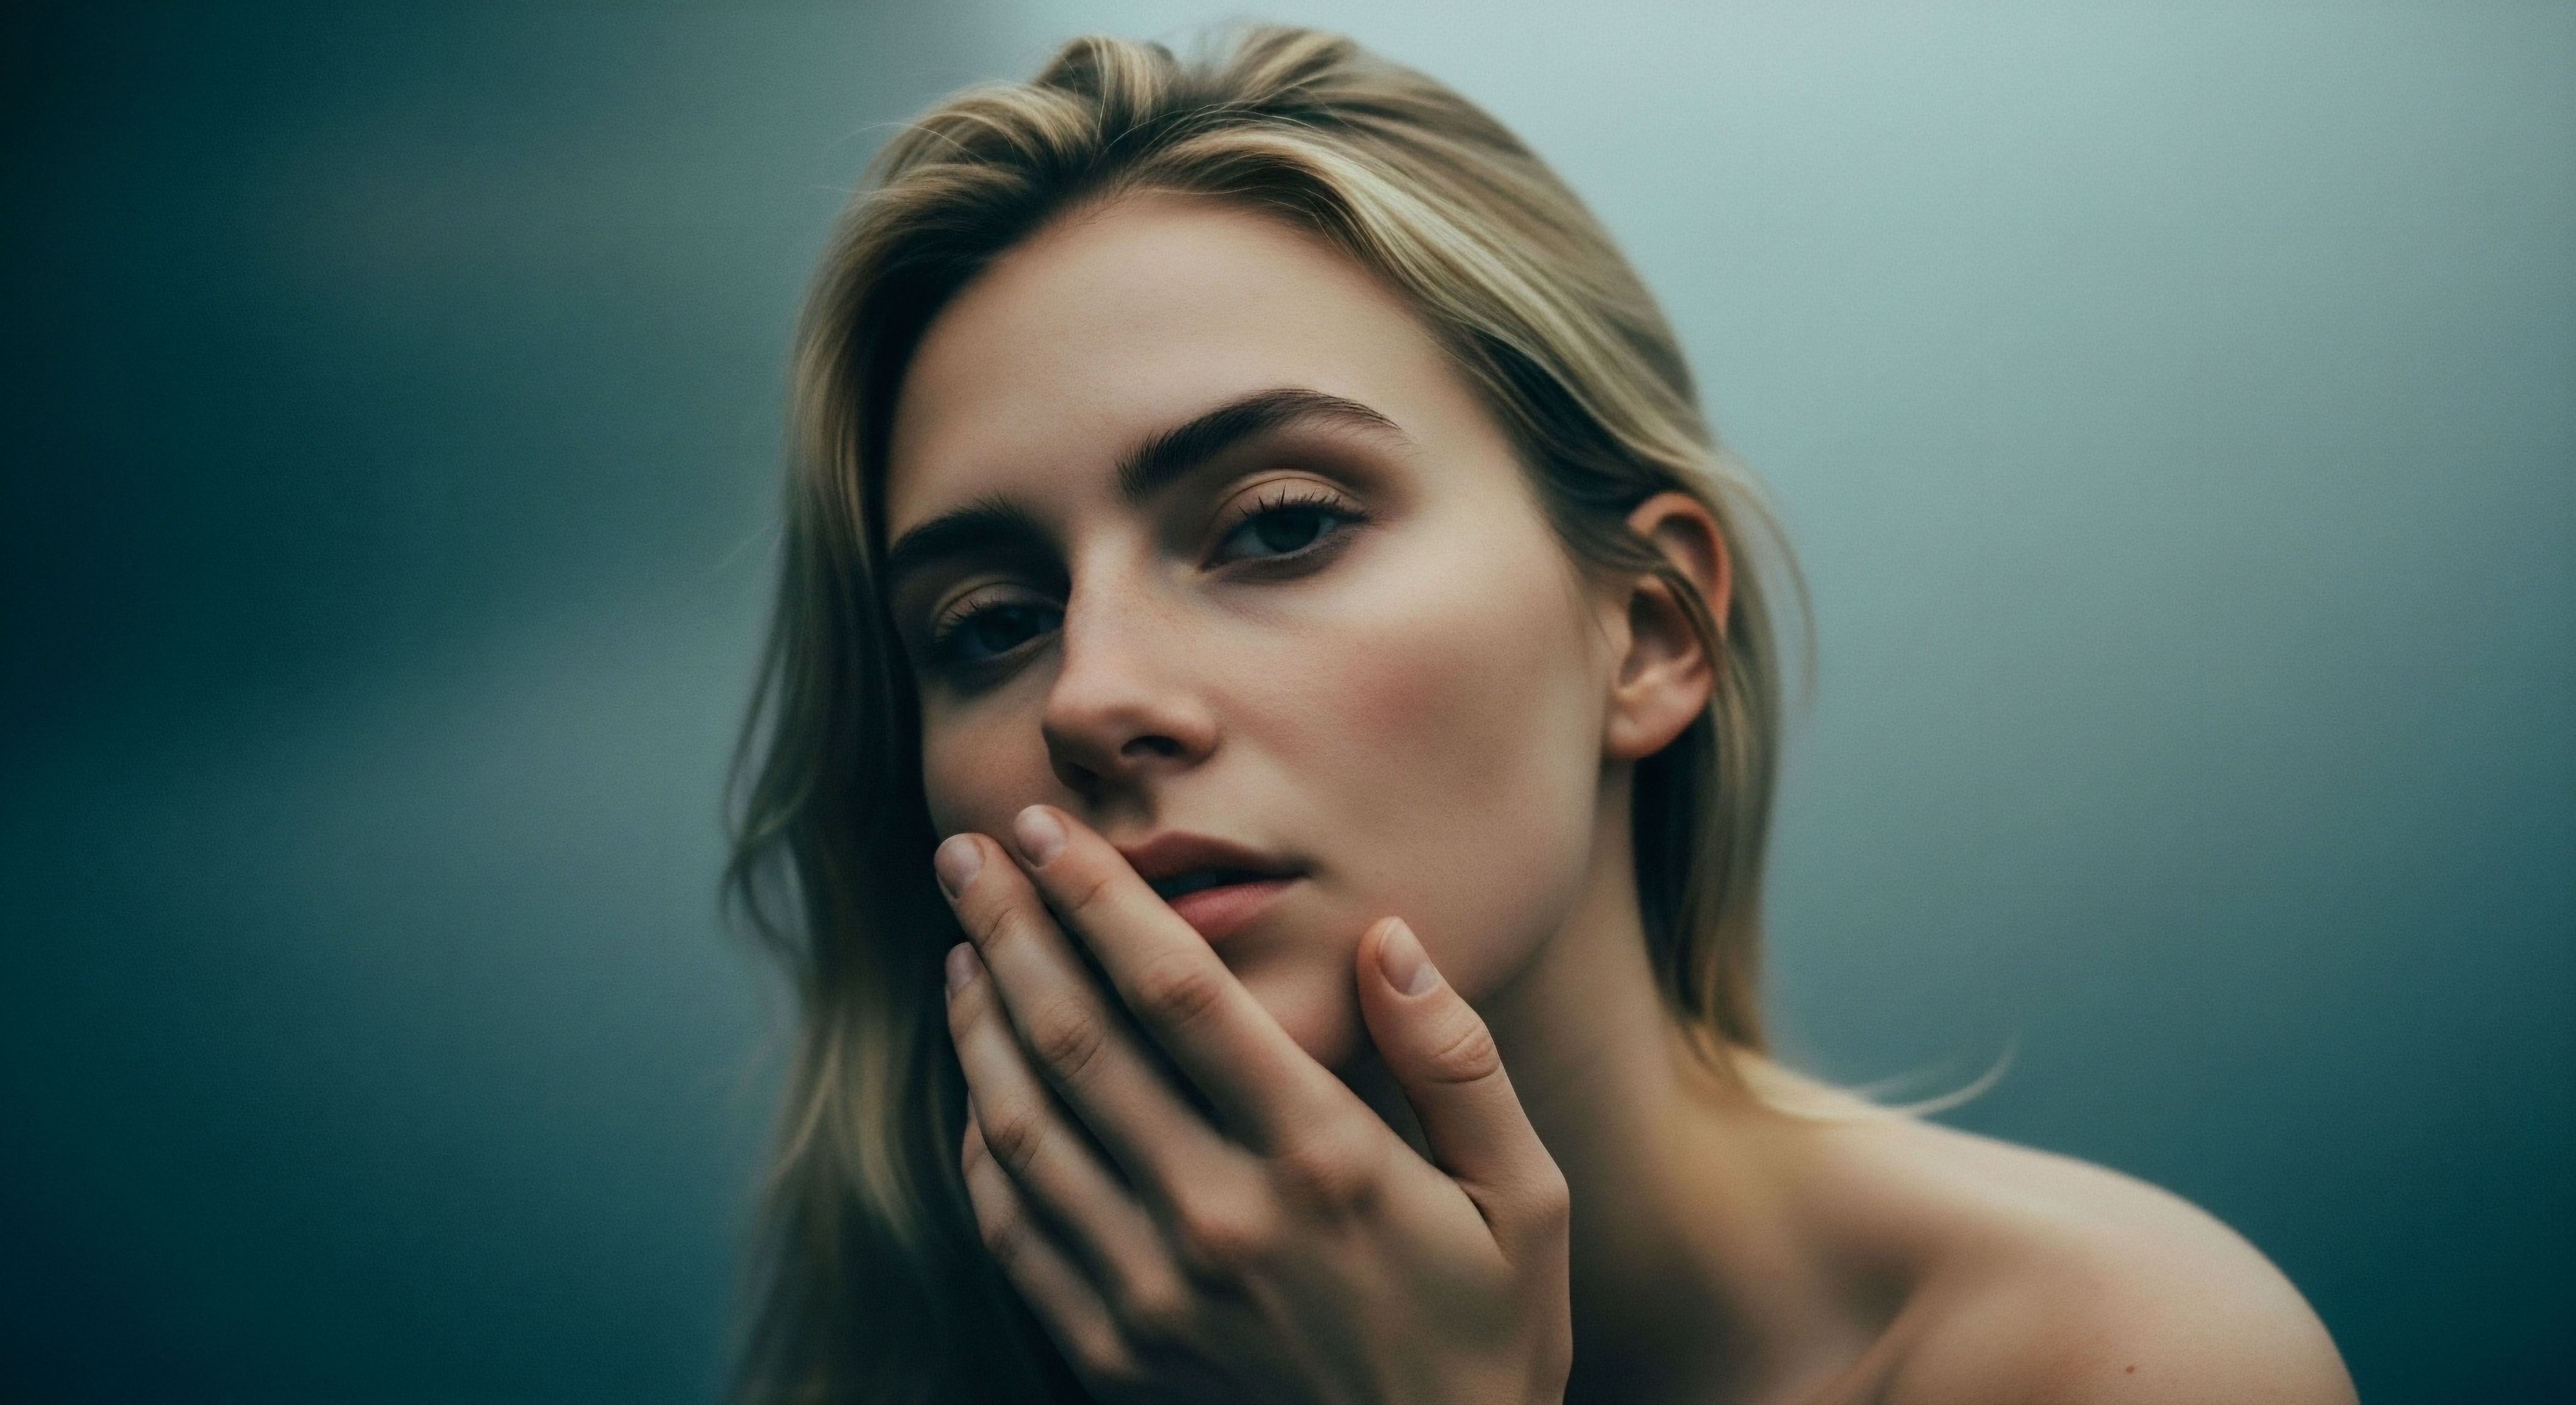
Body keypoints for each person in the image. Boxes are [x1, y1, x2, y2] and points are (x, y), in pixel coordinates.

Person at [725, 24, 2355, 1404]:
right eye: (992, 624)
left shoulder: (2122, 1358)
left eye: (1281, 522)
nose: (1095, 696)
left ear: (1648, 632)